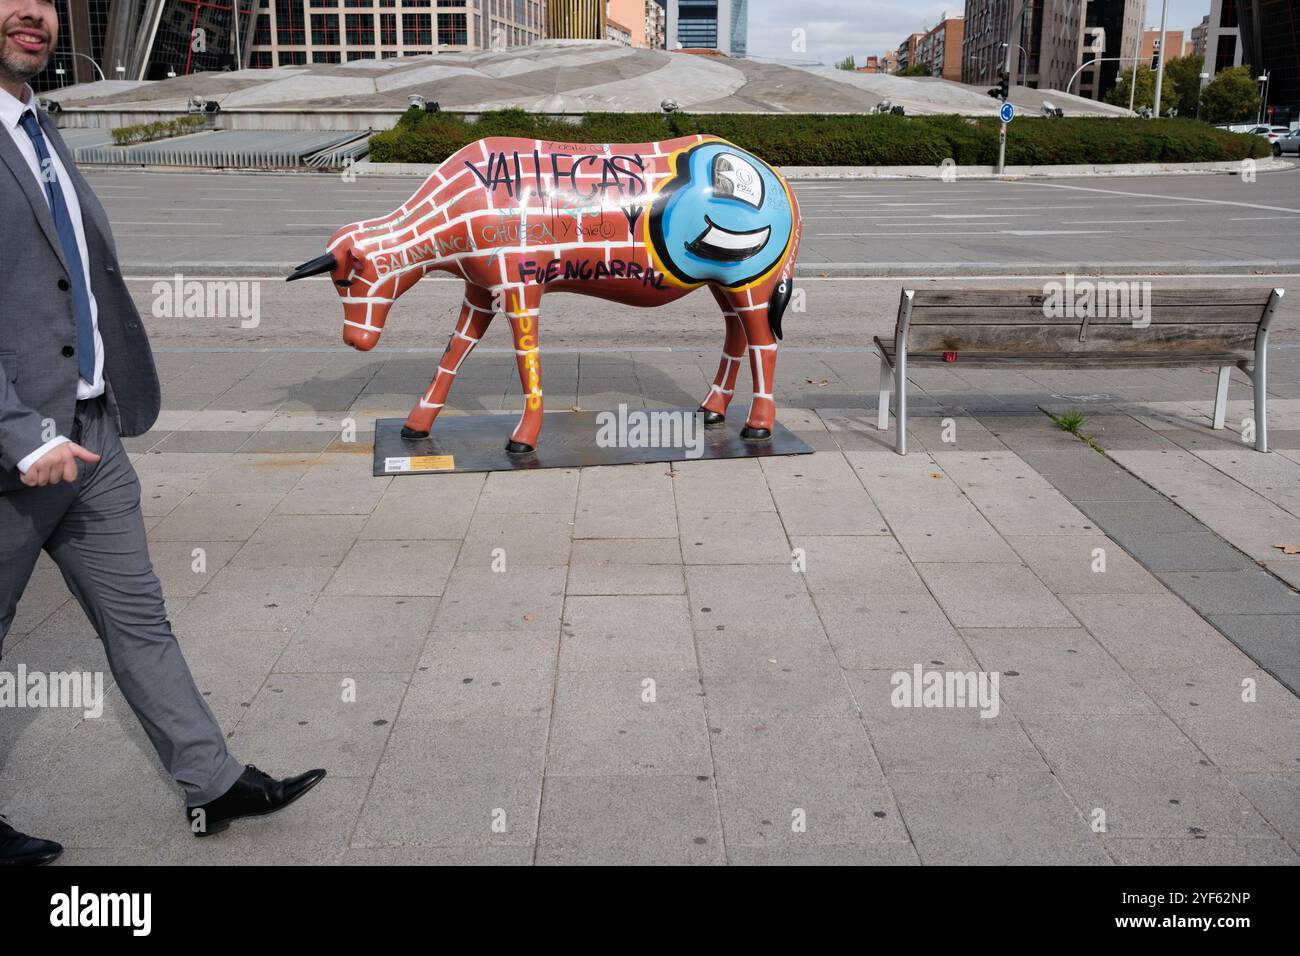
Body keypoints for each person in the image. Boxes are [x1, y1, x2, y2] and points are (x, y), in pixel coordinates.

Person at [0, 0, 324, 866]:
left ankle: (211, 782)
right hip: (20, 449)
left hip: (91, 435)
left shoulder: (38, 123)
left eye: (44, 0)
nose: (32, 13)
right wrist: (18, 434)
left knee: (139, 619)